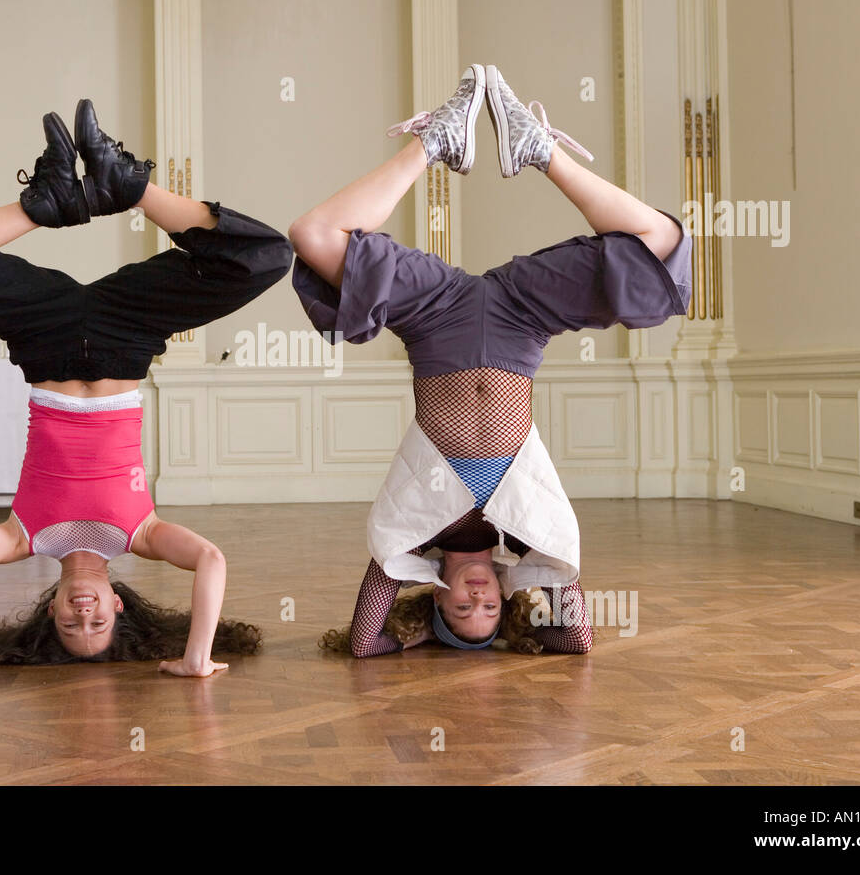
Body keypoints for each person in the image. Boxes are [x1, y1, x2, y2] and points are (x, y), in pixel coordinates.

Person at [0, 101, 292, 681]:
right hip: (127, 331)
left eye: (69, 626)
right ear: (119, 605)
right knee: (266, 256)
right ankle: (129, 186)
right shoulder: (141, 535)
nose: (83, 616)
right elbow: (211, 561)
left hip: (44, 334)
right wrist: (197, 657)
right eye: (98, 625)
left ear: (51, 608)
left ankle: (45, 203)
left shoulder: (23, 536)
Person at [289, 65, 692, 657]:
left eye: (461, 608)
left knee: (312, 234)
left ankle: (435, 142)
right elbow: (576, 641)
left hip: (434, 319)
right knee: (660, 249)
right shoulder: (523, 539)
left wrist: (419, 632)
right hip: (521, 318)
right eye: (489, 609)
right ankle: (539, 148)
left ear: (437, 595)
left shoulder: (417, 536)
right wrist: (517, 627)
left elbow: (363, 643)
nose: (477, 599)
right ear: (506, 595)